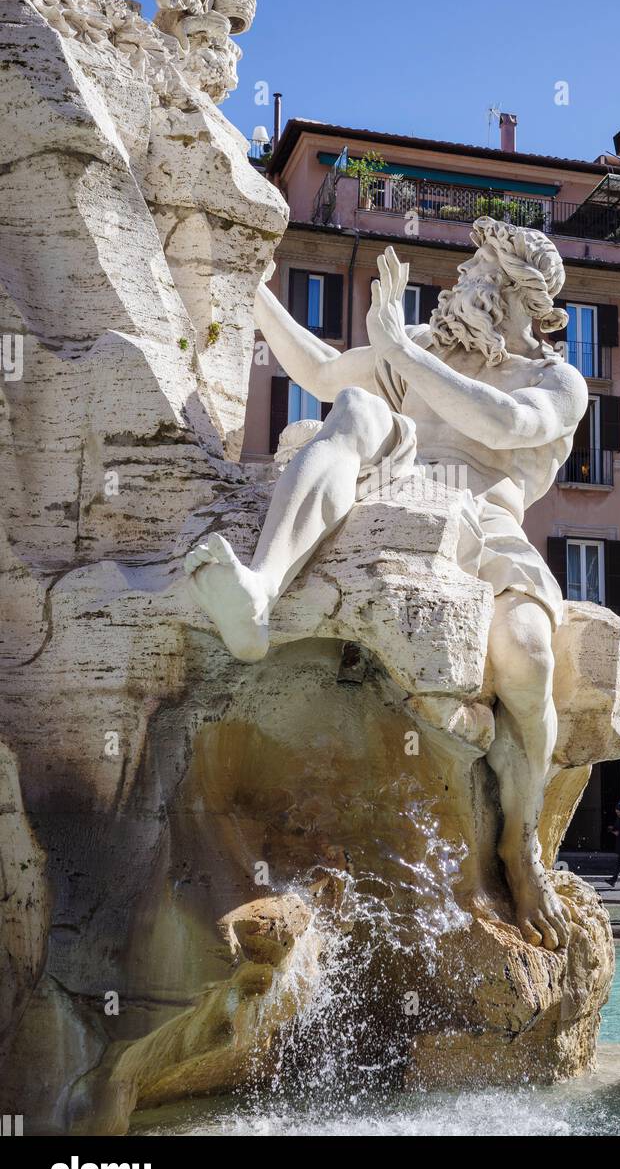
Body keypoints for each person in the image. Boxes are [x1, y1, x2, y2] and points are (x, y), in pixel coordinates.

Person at [185, 223, 589, 952]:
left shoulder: (553, 381)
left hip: (486, 521)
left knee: (528, 655)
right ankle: (259, 591)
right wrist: (251, 289)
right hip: (398, 482)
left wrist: (402, 350)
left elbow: (501, 422)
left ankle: (519, 845)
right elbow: (320, 371)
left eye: (478, 270)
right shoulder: (425, 356)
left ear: (518, 294)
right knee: (359, 409)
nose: (461, 280)